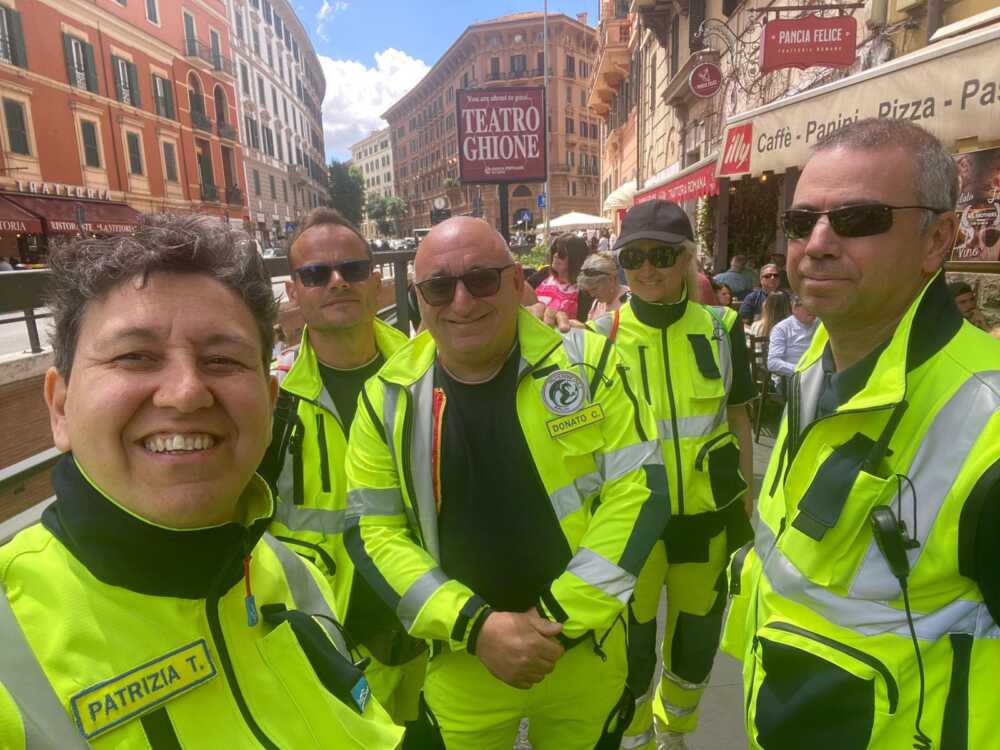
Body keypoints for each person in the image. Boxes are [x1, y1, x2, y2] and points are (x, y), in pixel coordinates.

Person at [0, 215, 403, 749]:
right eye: (135, 357)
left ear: (269, 401)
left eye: (221, 359)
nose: (187, 392)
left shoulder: (291, 575)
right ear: (60, 407)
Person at [723, 118, 1000, 749]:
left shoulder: (990, 423)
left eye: (858, 219)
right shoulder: (822, 359)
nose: (817, 243)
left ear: (937, 242)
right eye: (801, 223)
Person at [344, 216, 668, 750]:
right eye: (439, 287)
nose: (463, 301)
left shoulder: (589, 365)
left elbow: (640, 492)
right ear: (417, 298)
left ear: (518, 282)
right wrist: (477, 627)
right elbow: (374, 532)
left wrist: (555, 619)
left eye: (483, 279)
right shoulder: (386, 398)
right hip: (464, 658)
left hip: (584, 650)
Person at [587, 200, 757, 750]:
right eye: (633, 256)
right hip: (630, 525)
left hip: (704, 520)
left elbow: (738, 418)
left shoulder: (721, 327)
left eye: (661, 254)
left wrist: (746, 499)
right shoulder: (600, 335)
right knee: (631, 646)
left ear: (686, 259)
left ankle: (674, 731)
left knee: (697, 641)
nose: (646, 268)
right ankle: (632, 738)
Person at [260, 207, 425, 725]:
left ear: (375, 282)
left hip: (430, 623)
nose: (337, 282)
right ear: (294, 291)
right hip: (328, 639)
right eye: (316, 274)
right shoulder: (272, 396)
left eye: (352, 270)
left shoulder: (430, 371)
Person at [531, 234, 591, 322]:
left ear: (575, 258)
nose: (555, 255)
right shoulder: (543, 273)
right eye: (554, 250)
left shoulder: (585, 291)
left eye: (561, 253)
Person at [766, 294, 818, 394]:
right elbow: (773, 363)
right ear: (795, 308)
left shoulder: (821, 324)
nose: (813, 310)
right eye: (809, 306)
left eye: (815, 306)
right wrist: (800, 371)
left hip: (817, 377)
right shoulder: (782, 329)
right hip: (791, 379)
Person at [576, 251, 629, 320]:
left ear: (611, 280)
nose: (591, 294)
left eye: (594, 289)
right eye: (588, 290)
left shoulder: (630, 302)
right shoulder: (597, 303)